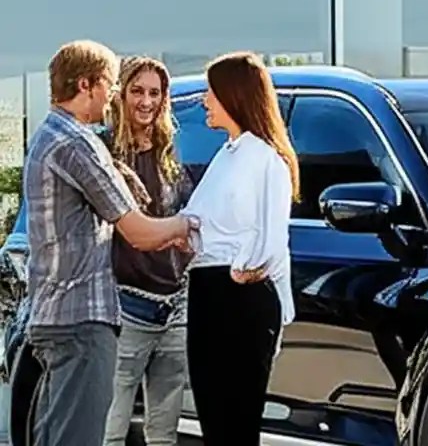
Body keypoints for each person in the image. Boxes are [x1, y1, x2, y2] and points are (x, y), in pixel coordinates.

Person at [22, 40, 198, 446]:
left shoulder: (51, 135)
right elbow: (136, 231)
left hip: (59, 317)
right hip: (80, 318)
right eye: (113, 84)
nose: (115, 95)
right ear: (86, 84)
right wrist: (189, 224)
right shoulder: (78, 143)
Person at [182, 51, 298, 445]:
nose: (205, 101)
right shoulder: (226, 155)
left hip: (238, 295)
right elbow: (195, 220)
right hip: (207, 292)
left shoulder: (267, 159)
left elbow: (273, 234)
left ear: (233, 95)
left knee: (236, 422)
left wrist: (242, 271)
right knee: (213, 420)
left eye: (211, 92)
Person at [102, 57, 195, 446]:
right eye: (137, 91)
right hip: (127, 304)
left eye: (154, 93)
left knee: (164, 431)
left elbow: (185, 218)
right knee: (110, 426)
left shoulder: (167, 153)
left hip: (176, 305)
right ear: (121, 95)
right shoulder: (103, 151)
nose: (146, 101)